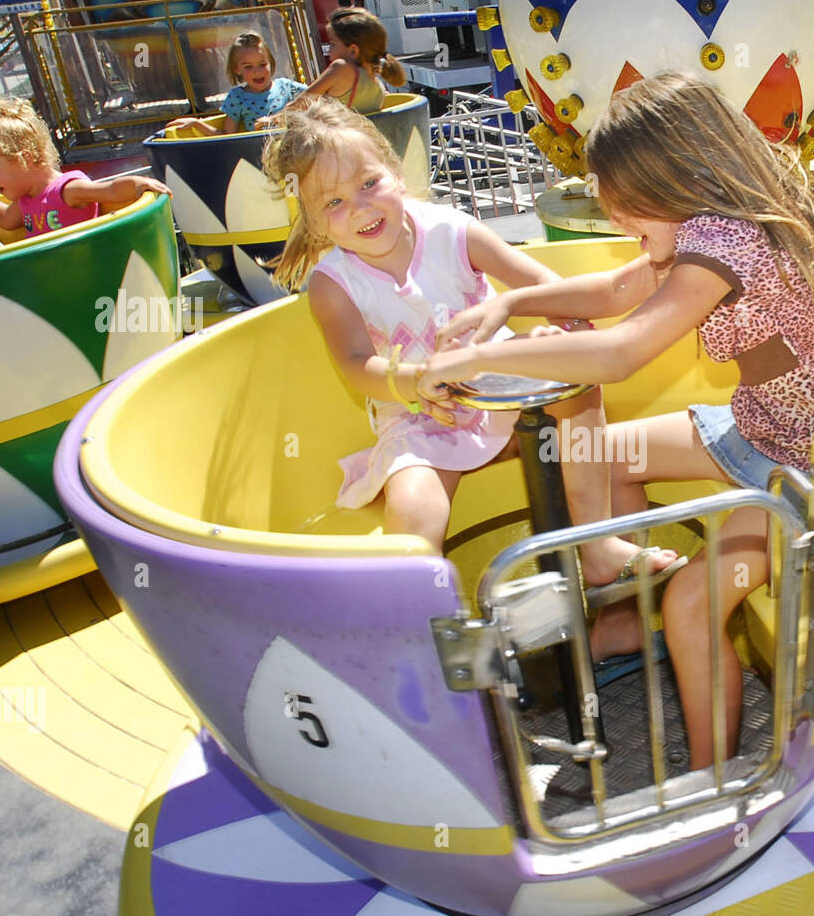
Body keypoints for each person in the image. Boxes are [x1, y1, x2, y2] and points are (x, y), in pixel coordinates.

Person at [418, 73, 814, 769]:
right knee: (587, 453)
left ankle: (715, 778)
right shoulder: (719, 221)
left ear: (671, 177)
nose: (620, 226)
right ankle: (616, 600)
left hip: (807, 471)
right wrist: (507, 306)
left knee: (692, 606)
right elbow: (618, 288)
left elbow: (622, 349)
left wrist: (491, 355)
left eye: (625, 208)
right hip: (756, 427)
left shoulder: (728, 244)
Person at [262, 97, 682, 619]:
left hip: (500, 385)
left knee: (579, 384)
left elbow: (547, 289)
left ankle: (596, 548)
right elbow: (354, 364)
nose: (361, 208)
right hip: (422, 417)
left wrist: (558, 328)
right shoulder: (333, 284)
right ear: (313, 220)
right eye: (334, 202)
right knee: (415, 505)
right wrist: (416, 380)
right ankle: (425, 621)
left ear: (395, 174)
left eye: (369, 184)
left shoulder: (450, 230)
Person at [0, 99, 170, 237]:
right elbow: (6, 221)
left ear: (23, 158)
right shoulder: (25, 200)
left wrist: (140, 183)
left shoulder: (65, 190)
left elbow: (109, 190)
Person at [256, 8, 407, 129]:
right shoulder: (375, 79)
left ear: (353, 50)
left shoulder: (341, 69)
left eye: (332, 44)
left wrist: (273, 119)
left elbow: (303, 101)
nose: (329, 52)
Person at [168, 32, 307, 135]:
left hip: (295, 152)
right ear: (236, 69)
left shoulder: (287, 87)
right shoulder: (238, 97)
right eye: (248, 67)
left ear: (271, 62)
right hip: (262, 158)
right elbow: (227, 137)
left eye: (262, 64)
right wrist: (197, 123)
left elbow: (319, 95)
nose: (257, 72)